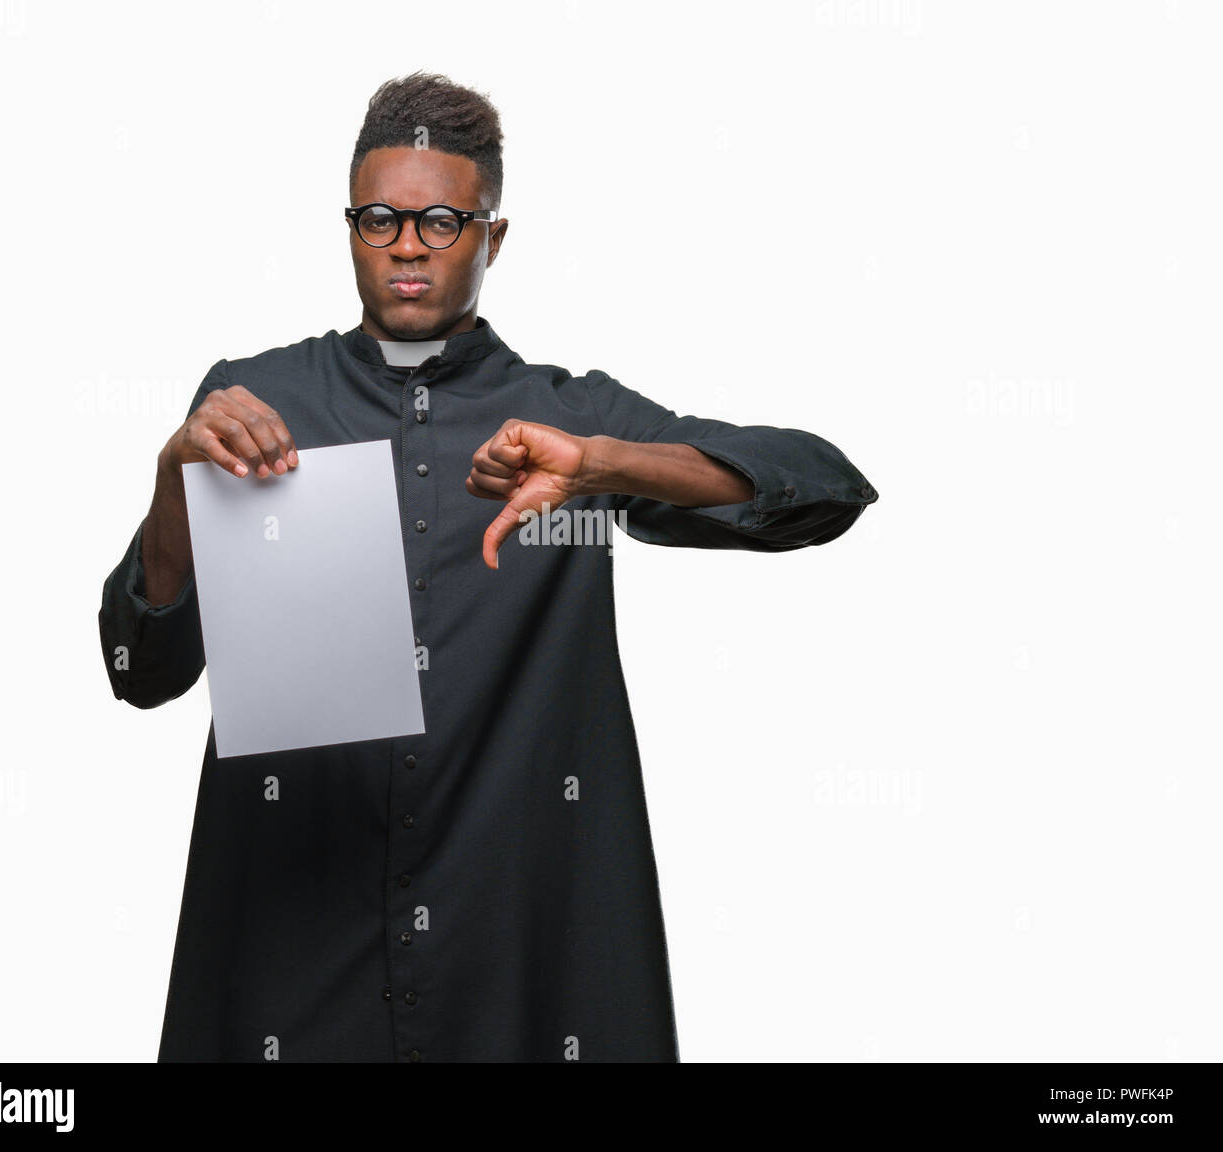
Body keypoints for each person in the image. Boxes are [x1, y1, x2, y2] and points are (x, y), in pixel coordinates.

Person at [98, 71, 879, 1063]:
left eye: (441, 220)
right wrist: (174, 478)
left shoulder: (569, 417)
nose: (409, 245)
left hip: (513, 964)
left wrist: (606, 463)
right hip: (287, 961)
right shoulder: (253, 404)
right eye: (379, 218)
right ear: (349, 227)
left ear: (491, 237)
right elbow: (142, 671)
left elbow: (825, 490)